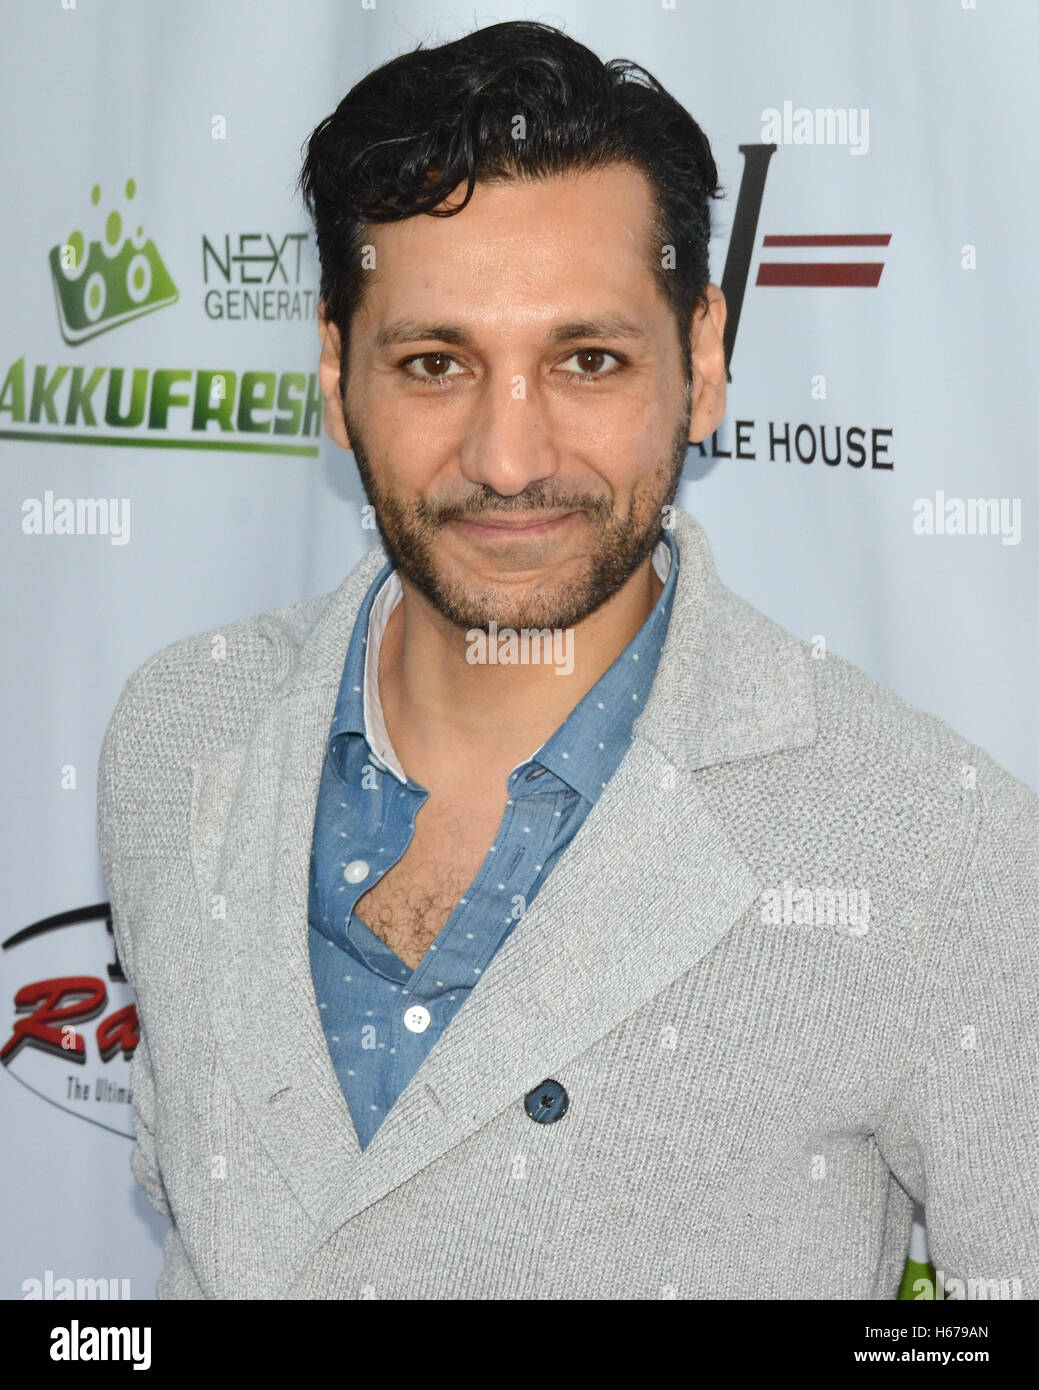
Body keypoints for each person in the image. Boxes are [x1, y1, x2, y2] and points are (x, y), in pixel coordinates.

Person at [98, 20, 1039, 1299]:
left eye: (585, 360)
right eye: (436, 364)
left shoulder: (931, 842)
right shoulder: (183, 730)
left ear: (702, 363)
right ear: (335, 373)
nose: (508, 458)